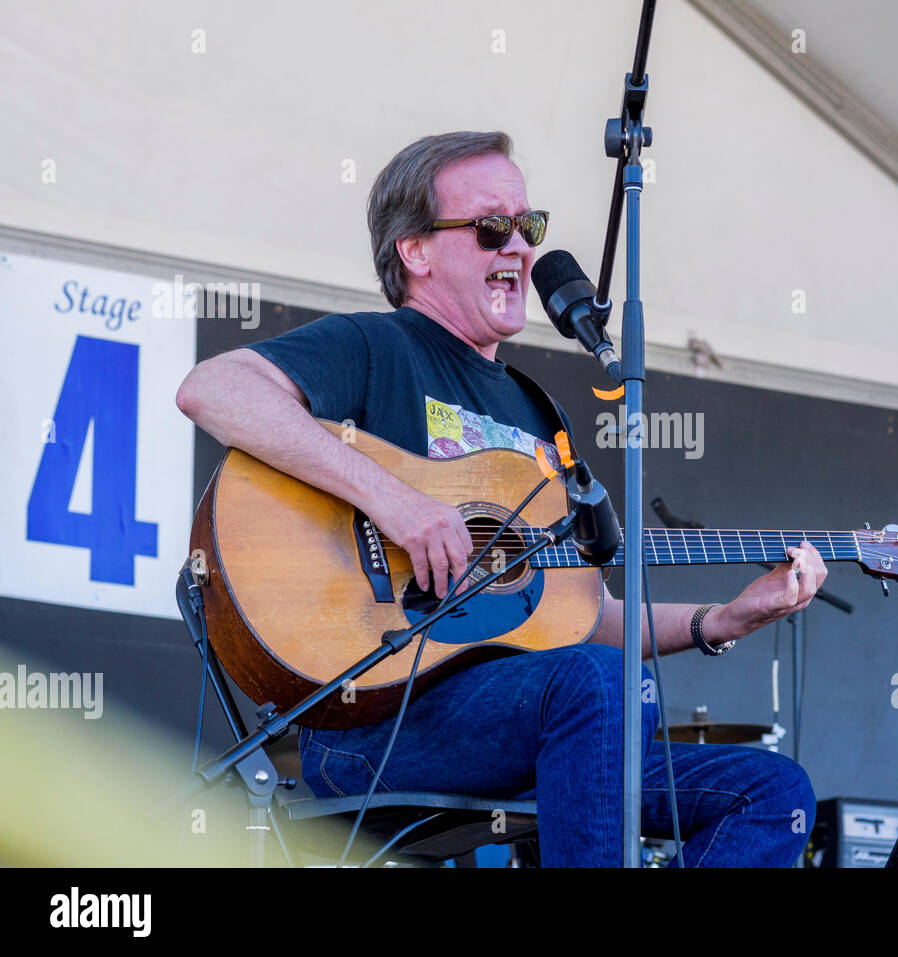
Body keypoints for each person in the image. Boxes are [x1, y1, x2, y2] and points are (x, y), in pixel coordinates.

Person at [175, 131, 826, 867]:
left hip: (543, 720)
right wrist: (395, 501)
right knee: (605, 685)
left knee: (774, 792)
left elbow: (582, 615)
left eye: (529, 226)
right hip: (376, 728)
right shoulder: (377, 347)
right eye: (491, 227)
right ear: (414, 251)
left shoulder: (536, 410)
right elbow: (214, 389)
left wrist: (724, 618)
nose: (519, 247)